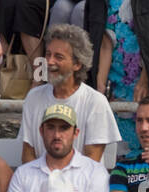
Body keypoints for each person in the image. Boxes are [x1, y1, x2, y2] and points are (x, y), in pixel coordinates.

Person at [19, 25, 121, 165]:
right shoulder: (33, 98)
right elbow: (27, 154)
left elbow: (91, 161)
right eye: (48, 54)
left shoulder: (95, 102)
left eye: (58, 57)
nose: (49, 62)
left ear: (77, 64)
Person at [5, 107, 109, 192]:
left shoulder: (94, 171)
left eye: (64, 128)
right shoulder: (23, 173)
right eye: (51, 128)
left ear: (75, 133)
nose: (57, 135)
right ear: (41, 131)